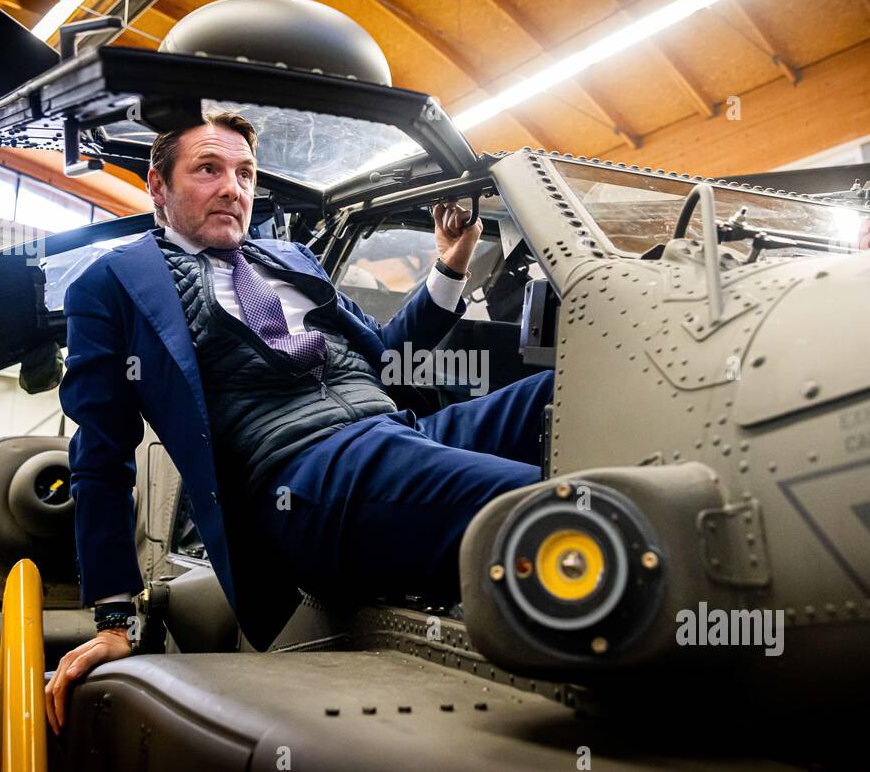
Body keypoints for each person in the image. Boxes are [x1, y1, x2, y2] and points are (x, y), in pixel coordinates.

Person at [45, 110, 553, 733]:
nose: (233, 187)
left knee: (570, 392)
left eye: (245, 173)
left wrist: (448, 267)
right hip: (303, 478)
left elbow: (386, 355)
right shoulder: (112, 284)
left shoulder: (291, 259)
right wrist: (115, 619)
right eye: (208, 169)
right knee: (538, 500)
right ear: (157, 185)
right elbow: (99, 455)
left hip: (396, 432)